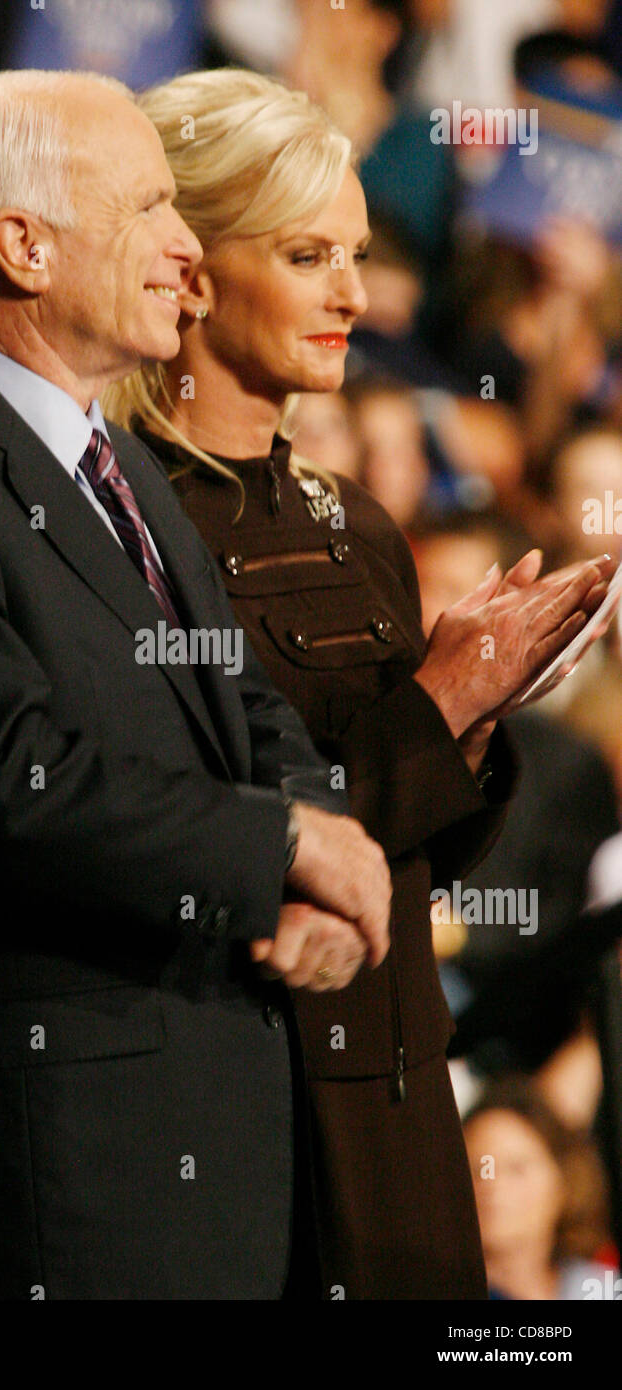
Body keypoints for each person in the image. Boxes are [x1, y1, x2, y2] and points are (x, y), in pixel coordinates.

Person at [0, 68, 394, 1300]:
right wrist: (278, 842)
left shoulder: (110, 458)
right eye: (146, 211)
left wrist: (314, 842)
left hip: (213, 1153)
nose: (186, 250)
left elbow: (234, 699)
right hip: (59, 1194)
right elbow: (8, 788)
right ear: (20, 246)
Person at [103, 66, 615, 1298]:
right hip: (234, 1114)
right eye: (305, 255)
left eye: (358, 251)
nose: (355, 292)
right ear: (192, 264)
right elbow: (203, 839)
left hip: (392, 1103)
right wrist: (438, 703)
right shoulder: (111, 526)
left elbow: (412, 844)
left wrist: (483, 710)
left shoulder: (357, 524)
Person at [463, 1079, 620, 1300]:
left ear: (565, 1182)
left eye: (516, 1168)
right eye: (478, 1169)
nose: (491, 1184)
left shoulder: (605, 1290)